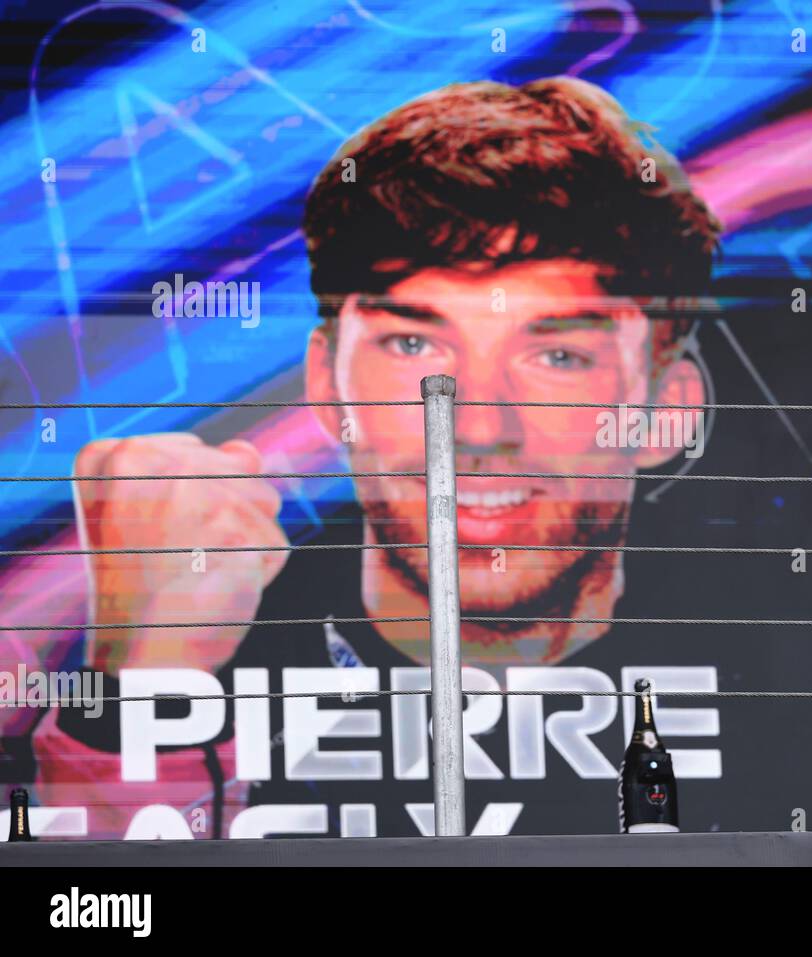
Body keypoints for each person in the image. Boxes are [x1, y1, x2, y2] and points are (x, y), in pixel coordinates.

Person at [34, 77, 725, 838]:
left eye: (558, 355)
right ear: (327, 384)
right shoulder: (184, 638)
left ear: (667, 411)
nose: (476, 426)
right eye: (413, 344)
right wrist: (148, 682)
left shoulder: (791, 687)